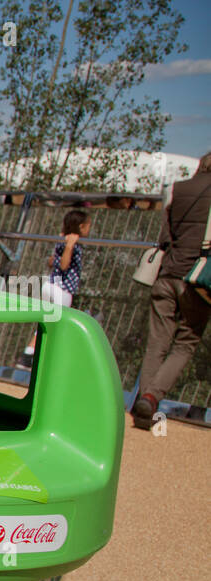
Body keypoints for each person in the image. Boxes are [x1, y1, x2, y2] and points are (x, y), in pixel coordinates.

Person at [132, 151, 211, 430]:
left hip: (166, 274)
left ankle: (143, 404)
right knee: (186, 341)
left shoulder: (176, 189)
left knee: (157, 341)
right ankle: (152, 397)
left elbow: (165, 236)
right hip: (197, 280)